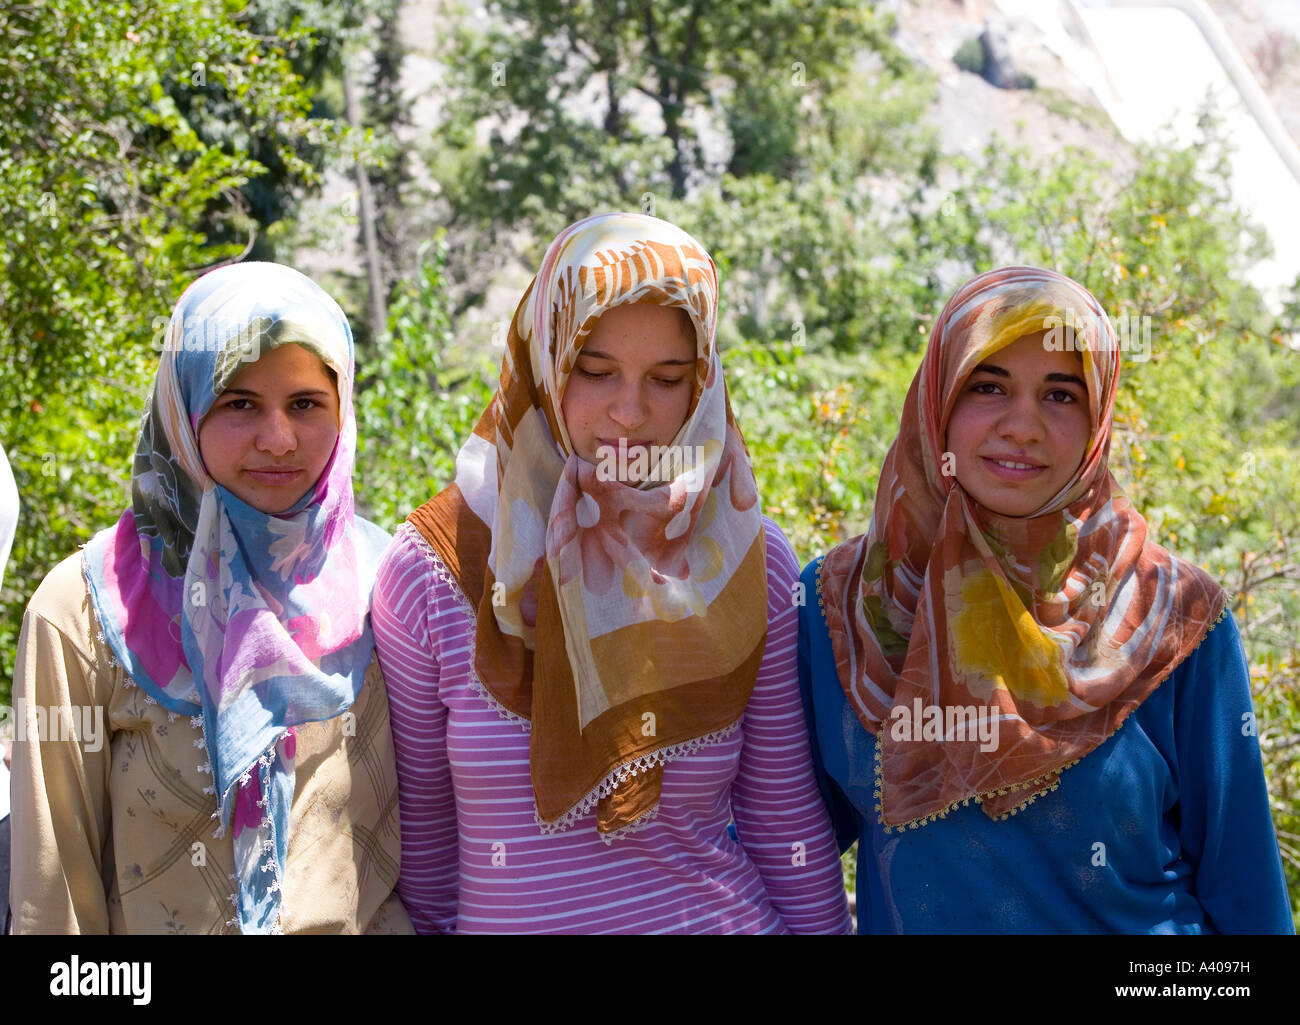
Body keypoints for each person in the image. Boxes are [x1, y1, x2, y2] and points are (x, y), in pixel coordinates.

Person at [373, 211, 852, 934]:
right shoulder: (433, 571)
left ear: (703, 383)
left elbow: (780, 818)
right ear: (543, 360)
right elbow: (428, 865)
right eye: (593, 372)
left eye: (667, 379)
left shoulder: (748, 556)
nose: (630, 413)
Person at [798, 265, 1294, 934]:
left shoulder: (1171, 613)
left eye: (1060, 394)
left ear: (1097, 418)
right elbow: (778, 848)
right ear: (937, 400)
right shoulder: (847, 605)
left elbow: (1248, 893)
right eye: (988, 385)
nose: (1022, 425)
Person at [9, 263, 411, 934]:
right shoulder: (85, 610)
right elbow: (54, 907)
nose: (278, 438)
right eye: (239, 402)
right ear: (183, 405)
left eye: (307, 403)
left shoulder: (393, 586)